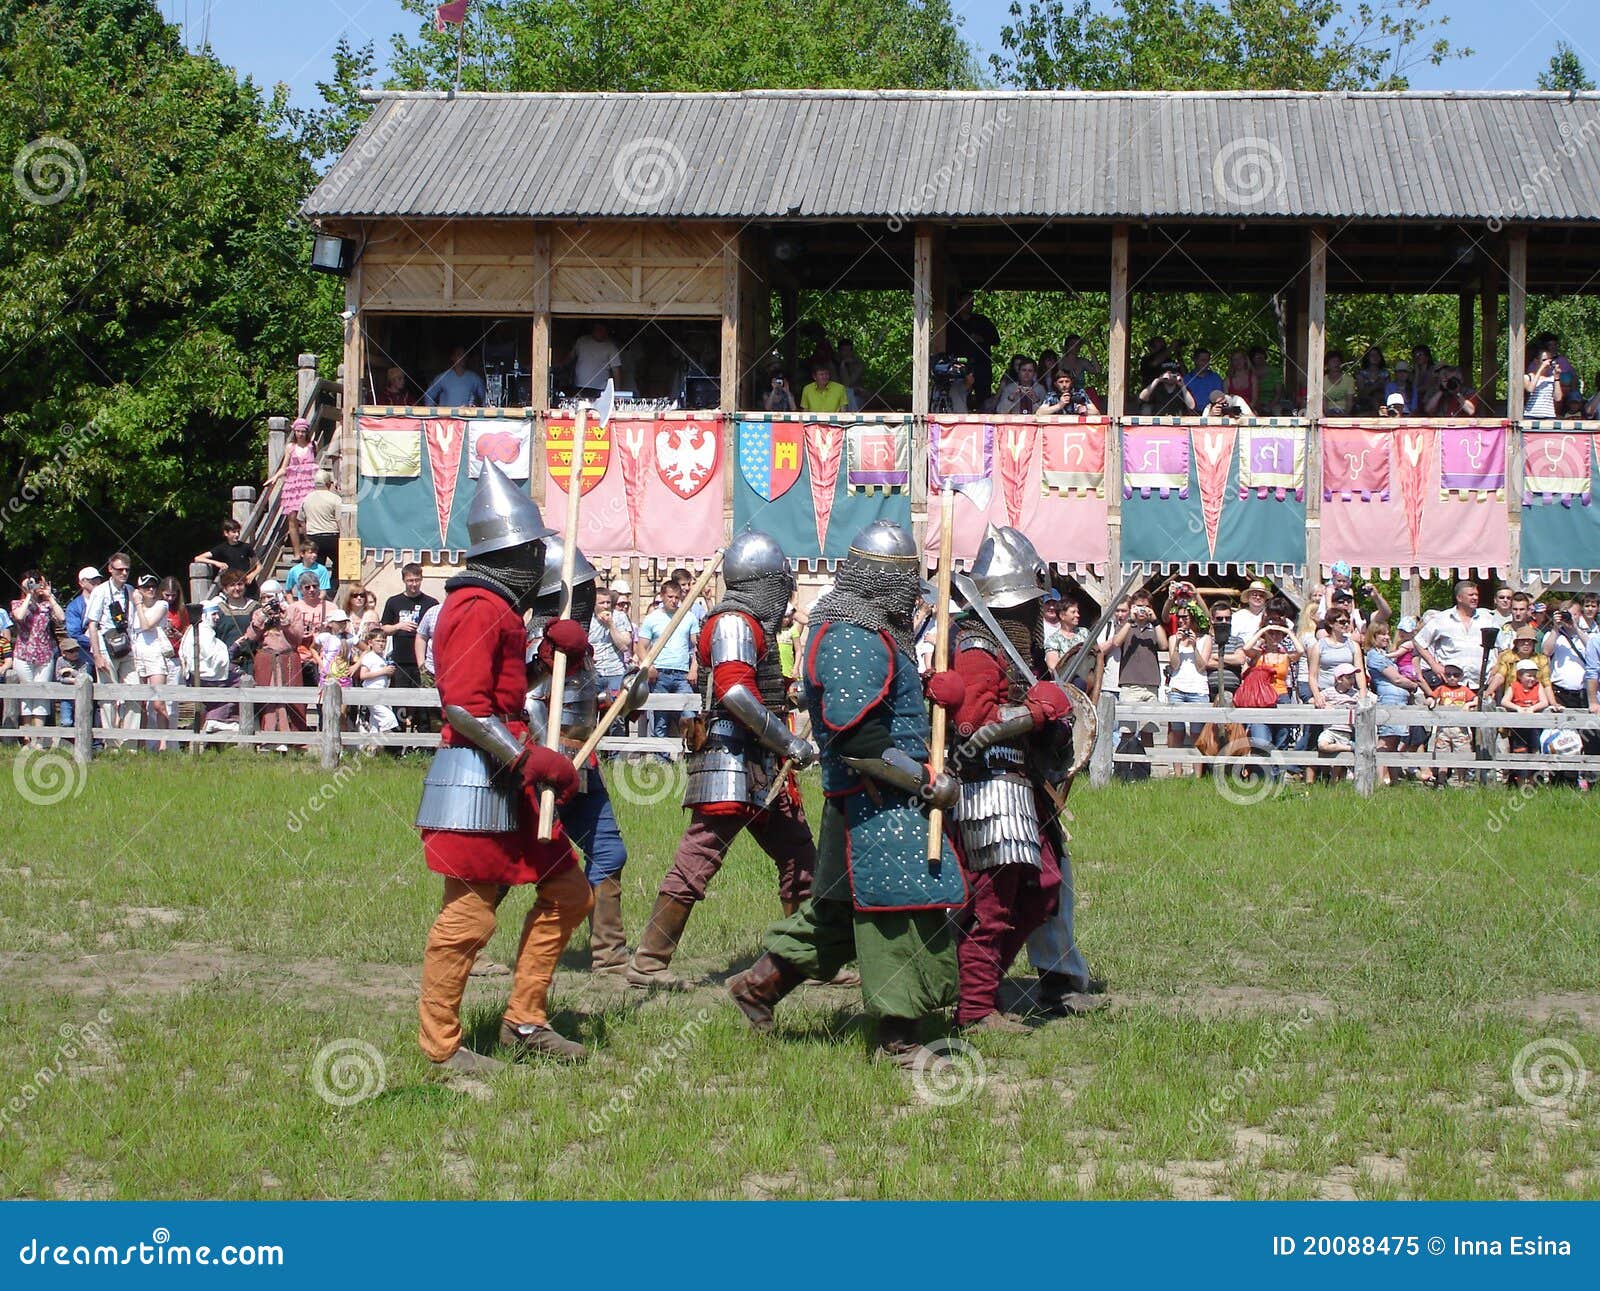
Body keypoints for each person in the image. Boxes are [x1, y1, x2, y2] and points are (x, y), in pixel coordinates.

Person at [726, 520, 966, 1069]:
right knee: (899, 912)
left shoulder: (872, 628)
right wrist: (928, 780)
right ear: (886, 582)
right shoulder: (852, 635)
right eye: (908, 583)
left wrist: (927, 692)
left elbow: (888, 710)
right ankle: (900, 1039)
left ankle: (758, 987)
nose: (913, 596)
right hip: (877, 801)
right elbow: (858, 738)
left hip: (872, 801)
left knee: (835, 913)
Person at [414, 462, 585, 1072]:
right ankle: (441, 1049)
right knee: (469, 916)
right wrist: (527, 756)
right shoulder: (475, 606)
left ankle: (525, 1020)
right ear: (512, 551)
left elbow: (508, 690)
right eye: (534, 549)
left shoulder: (502, 612)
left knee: (569, 891)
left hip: (509, 782)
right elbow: (462, 705)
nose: (542, 560)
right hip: (477, 779)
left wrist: (548, 656)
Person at [628, 532, 819, 990]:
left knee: (799, 855)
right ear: (764, 582)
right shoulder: (734, 620)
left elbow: (759, 689)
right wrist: (789, 742)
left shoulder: (751, 620)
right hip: (733, 758)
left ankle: (804, 958)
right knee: (700, 854)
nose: (783, 593)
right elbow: (735, 694)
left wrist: (793, 695)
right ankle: (649, 961)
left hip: (761, 759)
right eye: (779, 583)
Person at [942, 527, 1082, 1029]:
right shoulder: (979, 644)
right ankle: (975, 1007)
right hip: (986, 785)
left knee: (1042, 889)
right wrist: (1038, 712)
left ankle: (979, 983)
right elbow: (972, 725)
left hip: (1018, 783)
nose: (1037, 613)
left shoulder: (1015, 644)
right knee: (993, 901)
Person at [525, 540, 648, 975]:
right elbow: (528, 700)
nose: (589, 598)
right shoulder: (535, 642)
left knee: (609, 852)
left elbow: (582, 704)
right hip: (541, 768)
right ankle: (477, 950)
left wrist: (625, 697)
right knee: (514, 860)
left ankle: (609, 955)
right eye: (581, 590)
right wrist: (549, 758)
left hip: (584, 765)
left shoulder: (583, 646)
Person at [1364, 621, 1434, 786]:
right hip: (1390, 701)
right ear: (1373, 636)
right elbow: (1395, 679)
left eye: (1388, 634)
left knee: (1395, 743)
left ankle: (1394, 780)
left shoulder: (1385, 653)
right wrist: (1414, 685)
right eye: (1382, 634)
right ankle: (1379, 781)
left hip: (1400, 702)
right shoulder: (1374, 655)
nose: (1387, 637)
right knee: (1386, 741)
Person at [635, 578, 697, 743]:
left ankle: (687, 756)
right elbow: (640, 646)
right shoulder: (652, 618)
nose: (674, 600)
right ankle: (659, 759)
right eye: (670, 597)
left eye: (676, 597)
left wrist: (694, 669)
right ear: (662, 596)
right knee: (660, 719)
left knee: (689, 715)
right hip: (660, 673)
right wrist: (649, 666)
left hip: (682, 674)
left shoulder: (688, 617)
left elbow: (697, 645)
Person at [87, 553, 142, 735]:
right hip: (106, 646)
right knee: (108, 696)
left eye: (127, 569)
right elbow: (92, 624)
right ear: (110, 569)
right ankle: (110, 740)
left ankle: (130, 741)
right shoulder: (100, 591)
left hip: (127, 646)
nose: (124, 573)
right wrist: (97, 655)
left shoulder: (130, 590)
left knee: (134, 692)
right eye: (119, 569)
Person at [382, 563, 439, 733]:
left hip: (423, 663)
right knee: (400, 703)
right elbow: (383, 629)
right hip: (401, 661)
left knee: (424, 706)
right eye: (410, 581)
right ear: (404, 580)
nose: (414, 584)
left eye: (417, 580)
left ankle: (423, 745)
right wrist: (399, 626)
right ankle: (397, 746)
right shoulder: (394, 602)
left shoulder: (431, 603)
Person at [9, 571, 64, 744]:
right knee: (27, 694)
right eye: (30, 583)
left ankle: (39, 739)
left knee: (42, 695)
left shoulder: (47, 605)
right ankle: (26, 738)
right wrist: (29, 596)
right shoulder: (17, 603)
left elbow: (61, 618)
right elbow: (19, 616)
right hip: (23, 655)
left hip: (45, 655)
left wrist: (50, 596)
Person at [1414, 581, 1498, 694]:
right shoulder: (1442, 619)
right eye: (1471, 595)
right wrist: (1433, 665)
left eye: (1476, 595)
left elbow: (1503, 647)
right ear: (1459, 597)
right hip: (1450, 682)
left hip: (1480, 682)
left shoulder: (1487, 619)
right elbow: (1418, 641)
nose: (1475, 598)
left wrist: (1498, 666)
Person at [1108, 590, 1167, 752]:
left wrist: (1155, 621)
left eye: (1146, 607)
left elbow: (1163, 645)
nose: (1142, 610)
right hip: (1129, 684)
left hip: (1151, 685)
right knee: (1127, 730)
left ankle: (1146, 768)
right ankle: (1124, 769)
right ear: (1133, 607)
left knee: (1149, 730)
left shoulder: (1154, 628)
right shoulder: (1125, 626)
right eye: (1139, 607)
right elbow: (1116, 642)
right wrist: (1130, 620)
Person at [1165, 602, 1213, 773]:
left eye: (1185, 617)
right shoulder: (1173, 638)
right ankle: (1177, 772)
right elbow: (1174, 665)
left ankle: (1198, 773)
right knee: (1176, 731)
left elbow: (1202, 666)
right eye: (1179, 617)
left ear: (1193, 619)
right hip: (1177, 688)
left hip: (1198, 689)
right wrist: (1177, 644)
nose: (1181, 621)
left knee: (1196, 733)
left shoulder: (1205, 639)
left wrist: (1193, 647)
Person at [127, 575, 171, 747]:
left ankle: (163, 744)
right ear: (139, 590)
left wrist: (138, 604)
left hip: (155, 655)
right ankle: (141, 743)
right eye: (146, 587)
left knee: (158, 702)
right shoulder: (132, 609)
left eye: (153, 586)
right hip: (138, 653)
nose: (150, 590)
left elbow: (147, 625)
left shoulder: (161, 605)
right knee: (141, 703)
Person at [264, 418, 318, 554]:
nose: (300, 434)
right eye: (298, 431)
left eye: (303, 431)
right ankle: (296, 551)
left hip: (308, 482)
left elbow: (316, 466)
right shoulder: (290, 447)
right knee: (292, 518)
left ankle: (310, 549)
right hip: (293, 484)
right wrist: (275, 477)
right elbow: (284, 467)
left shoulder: (312, 445)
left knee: (306, 518)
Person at [948, 294, 1000, 408]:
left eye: (972, 302)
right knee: (958, 397)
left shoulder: (982, 321)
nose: (969, 305)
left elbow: (996, 340)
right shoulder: (952, 322)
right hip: (959, 366)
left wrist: (982, 339)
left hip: (981, 366)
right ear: (959, 303)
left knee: (984, 398)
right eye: (966, 302)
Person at [1430, 664, 1477, 786]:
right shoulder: (1441, 689)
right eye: (1448, 675)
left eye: (1455, 675)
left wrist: (1468, 705)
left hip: (1460, 727)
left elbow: (1476, 699)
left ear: (1460, 677)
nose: (1452, 678)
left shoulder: (1464, 690)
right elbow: (1430, 698)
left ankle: (1461, 781)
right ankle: (1441, 780)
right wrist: (1431, 702)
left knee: (1462, 754)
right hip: (1443, 727)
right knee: (1442, 754)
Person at [298, 471, 341, 592]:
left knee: (314, 568)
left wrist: (307, 538)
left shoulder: (306, 499)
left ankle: (315, 590)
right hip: (332, 536)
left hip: (313, 537)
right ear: (328, 483)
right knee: (338, 564)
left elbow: (301, 521)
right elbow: (339, 520)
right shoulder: (335, 499)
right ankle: (332, 589)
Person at [193, 518, 260, 592]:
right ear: (226, 533)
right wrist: (217, 563)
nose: (237, 534)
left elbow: (259, 566)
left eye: (238, 532)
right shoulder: (221, 548)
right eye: (234, 532)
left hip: (248, 586)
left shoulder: (246, 547)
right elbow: (198, 558)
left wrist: (252, 575)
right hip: (232, 587)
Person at [355, 626, 398, 738]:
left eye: (383, 641)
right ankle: (392, 743)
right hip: (371, 693)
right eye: (378, 641)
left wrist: (388, 673)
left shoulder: (382, 658)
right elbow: (363, 675)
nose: (381, 644)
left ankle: (371, 750)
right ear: (370, 642)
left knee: (375, 725)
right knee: (389, 718)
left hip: (381, 693)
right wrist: (383, 671)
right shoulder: (369, 657)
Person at [563, 323, 622, 397]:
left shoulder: (611, 347)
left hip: (600, 389)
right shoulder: (582, 341)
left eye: (603, 330)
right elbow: (570, 358)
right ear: (593, 330)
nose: (601, 332)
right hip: (579, 386)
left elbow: (616, 371)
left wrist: (618, 393)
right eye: (598, 329)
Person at [423, 345, 487, 407]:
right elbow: (429, 395)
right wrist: (436, 412)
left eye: (464, 354)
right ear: (452, 357)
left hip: (467, 416)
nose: (462, 357)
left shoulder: (474, 378)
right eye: (459, 354)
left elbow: (485, 398)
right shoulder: (442, 377)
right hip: (447, 417)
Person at [1524, 346, 1561, 418]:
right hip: (1530, 415)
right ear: (1536, 361)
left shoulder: (1551, 378)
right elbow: (1530, 389)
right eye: (1544, 360)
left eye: (1549, 360)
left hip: (1548, 415)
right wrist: (1541, 368)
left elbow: (1558, 398)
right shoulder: (1527, 377)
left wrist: (1557, 377)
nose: (1547, 363)